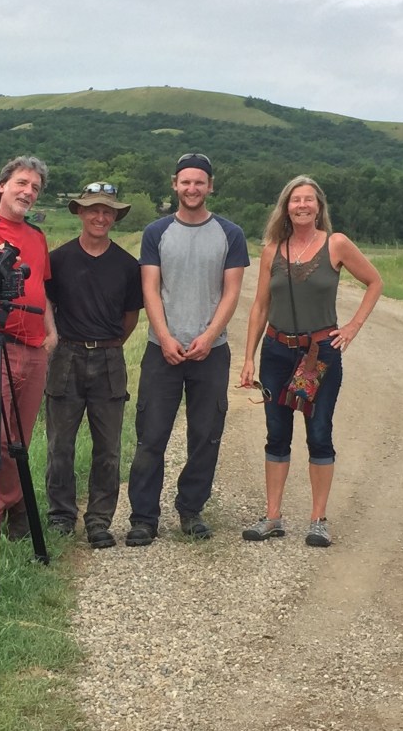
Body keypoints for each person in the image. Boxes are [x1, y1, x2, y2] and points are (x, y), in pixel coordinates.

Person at [238, 175, 383, 547]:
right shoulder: (273, 249)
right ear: (285, 207)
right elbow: (260, 306)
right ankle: (273, 516)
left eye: (308, 200)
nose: (301, 205)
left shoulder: (336, 244)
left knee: (318, 433)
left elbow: (375, 282)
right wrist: (248, 357)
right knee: (276, 433)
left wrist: (352, 327)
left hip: (320, 354)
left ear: (319, 206)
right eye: (294, 200)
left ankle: (318, 519)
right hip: (276, 351)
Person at [125, 153, 249, 546]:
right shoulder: (156, 232)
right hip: (162, 350)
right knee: (151, 434)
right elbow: (150, 289)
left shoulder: (230, 234)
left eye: (200, 182)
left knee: (206, 434)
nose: (192, 189)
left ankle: (191, 510)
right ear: (174, 185)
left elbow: (231, 292)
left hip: (211, 352)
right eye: (185, 182)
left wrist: (210, 336)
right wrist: (163, 336)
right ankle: (144, 517)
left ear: (210, 186)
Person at [44, 182, 143, 549]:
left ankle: (100, 520)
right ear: (80, 213)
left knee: (109, 448)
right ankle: (61, 516)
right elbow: (47, 307)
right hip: (65, 357)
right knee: (59, 445)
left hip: (108, 358)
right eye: (93, 210)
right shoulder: (59, 260)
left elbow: (130, 315)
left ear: (115, 216)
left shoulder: (127, 265)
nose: (100, 216)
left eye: (108, 211)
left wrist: (111, 344)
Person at [0, 155, 57, 541]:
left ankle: (6, 509)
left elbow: (44, 291)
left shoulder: (37, 237)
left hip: (34, 347)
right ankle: (8, 504)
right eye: (21, 183)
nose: (28, 192)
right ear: (2, 185)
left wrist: (52, 334)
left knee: (19, 439)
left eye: (35, 188)